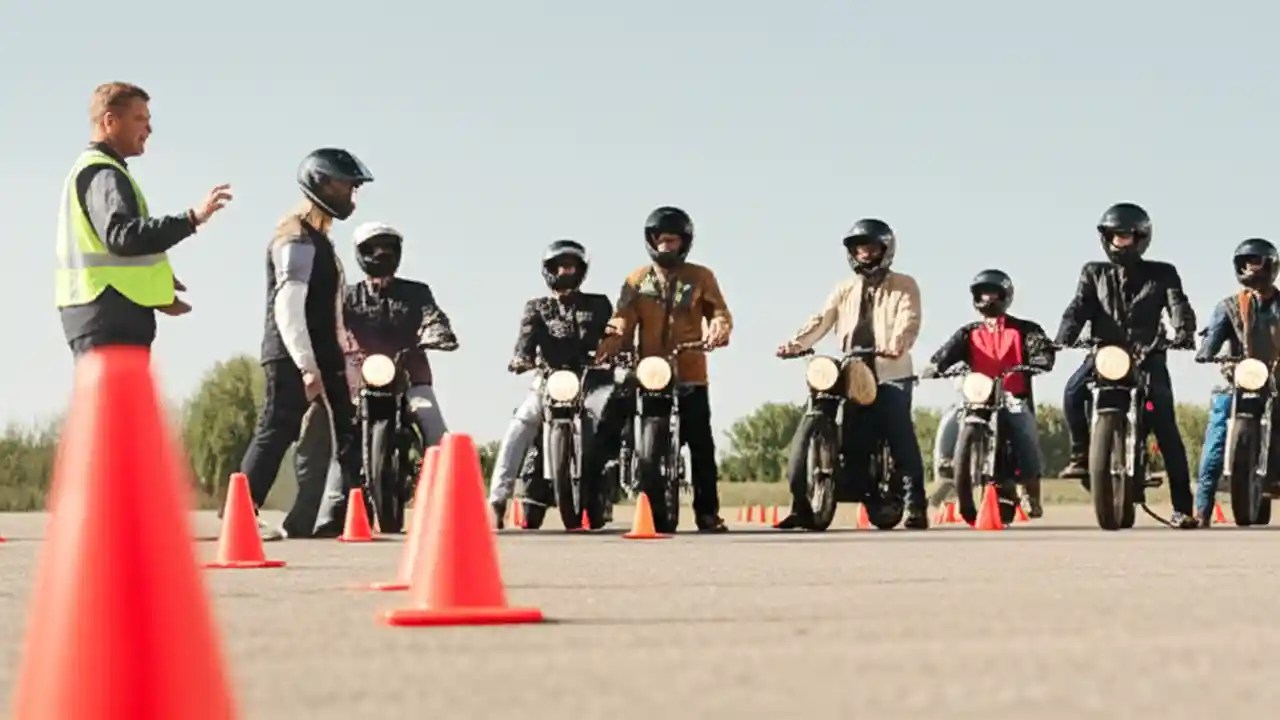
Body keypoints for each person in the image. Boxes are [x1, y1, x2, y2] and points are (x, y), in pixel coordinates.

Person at [238, 148, 374, 541]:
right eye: (347, 185)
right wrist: (305, 365)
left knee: (347, 430)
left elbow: (327, 309)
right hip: (292, 353)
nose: (352, 194)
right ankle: (241, 513)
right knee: (277, 428)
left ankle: (337, 516)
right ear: (323, 183)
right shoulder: (295, 237)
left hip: (324, 353)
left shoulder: (320, 238)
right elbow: (288, 304)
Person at [57, 81, 232, 357]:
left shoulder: (98, 171)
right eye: (140, 119)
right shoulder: (104, 173)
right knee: (115, 402)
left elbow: (118, 248)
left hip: (101, 316)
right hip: (109, 320)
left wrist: (159, 283)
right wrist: (192, 218)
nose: (148, 129)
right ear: (110, 121)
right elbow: (122, 236)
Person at [775, 218, 928, 530]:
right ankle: (802, 506)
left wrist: (896, 344)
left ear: (885, 250)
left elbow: (908, 319)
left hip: (890, 372)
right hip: (852, 370)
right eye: (859, 249)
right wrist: (797, 343)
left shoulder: (904, 285)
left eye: (871, 248)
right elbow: (823, 319)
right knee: (830, 414)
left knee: (898, 429)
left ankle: (915, 504)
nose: (865, 254)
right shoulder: (844, 288)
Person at [1054, 202, 1199, 528]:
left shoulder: (1163, 272)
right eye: (1115, 235)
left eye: (1127, 235)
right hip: (1105, 356)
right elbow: (1078, 308)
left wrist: (1184, 332)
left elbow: (1179, 305)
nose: (1121, 241)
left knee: (1165, 424)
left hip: (1148, 356)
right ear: (1105, 238)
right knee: (1073, 393)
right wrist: (1063, 338)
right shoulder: (1094, 272)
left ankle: (1182, 508)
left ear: (1141, 237)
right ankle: (1081, 454)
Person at [595, 207, 733, 532]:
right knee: (606, 426)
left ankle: (707, 513)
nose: (666, 247)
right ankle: (597, 497)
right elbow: (623, 317)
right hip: (648, 372)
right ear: (651, 242)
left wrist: (718, 329)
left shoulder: (701, 277)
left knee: (701, 445)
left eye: (672, 241)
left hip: (690, 371)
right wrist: (609, 341)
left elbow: (720, 312)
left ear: (684, 242)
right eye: (661, 241)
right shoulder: (637, 280)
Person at [487, 240, 616, 529]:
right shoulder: (537, 307)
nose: (565, 270)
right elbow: (525, 341)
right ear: (549, 270)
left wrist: (616, 352)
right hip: (549, 382)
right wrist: (520, 359)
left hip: (591, 381)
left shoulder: (599, 304)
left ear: (581, 270)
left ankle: (609, 481)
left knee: (606, 416)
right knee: (520, 423)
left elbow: (613, 335)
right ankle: (497, 500)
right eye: (560, 265)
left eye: (571, 265)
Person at [919, 269, 1056, 518]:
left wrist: (1040, 358)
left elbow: (1040, 348)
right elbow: (945, 354)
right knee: (950, 417)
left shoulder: (1024, 329)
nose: (988, 299)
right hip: (977, 396)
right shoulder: (969, 332)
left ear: (1005, 296)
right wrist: (934, 367)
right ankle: (945, 473)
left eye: (993, 294)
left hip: (1012, 396)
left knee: (1023, 424)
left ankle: (1030, 490)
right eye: (982, 294)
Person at [342, 221, 459, 448]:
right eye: (373, 248)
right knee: (339, 439)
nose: (381, 254)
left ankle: (444, 477)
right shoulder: (347, 295)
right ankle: (334, 486)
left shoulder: (417, 292)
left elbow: (431, 314)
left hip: (411, 377)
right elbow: (332, 325)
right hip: (358, 381)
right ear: (360, 253)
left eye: (388, 247)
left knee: (436, 431)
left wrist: (437, 331)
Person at [1192, 238, 1280, 526]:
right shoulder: (1229, 306)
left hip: (1275, 383)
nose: (1251, 267)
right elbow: (1211, 342)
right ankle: (1202, 510)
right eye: (1246, 262)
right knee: (1216, 438)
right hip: (1239, 382)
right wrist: (1207, 354)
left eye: (1257, 261)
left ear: (1271, 265)